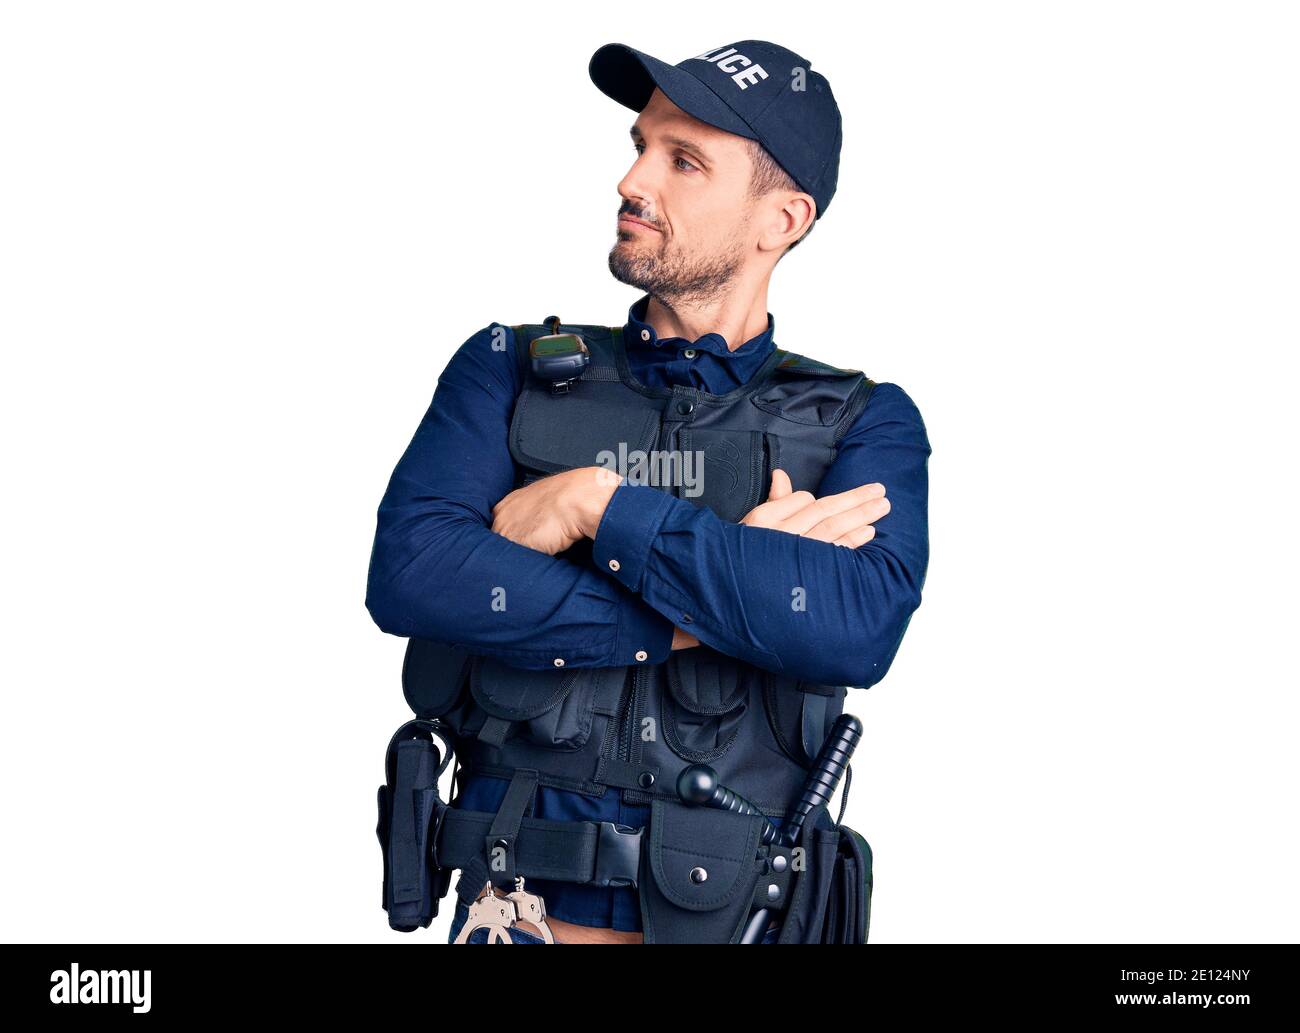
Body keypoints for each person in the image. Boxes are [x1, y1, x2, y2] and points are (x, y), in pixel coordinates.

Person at [367, 40, 930, 944]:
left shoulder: (865, 422)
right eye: (639, 146)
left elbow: (858, 625)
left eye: (684, 161)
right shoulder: (505, 369)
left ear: (779, 219)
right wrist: (714, 595)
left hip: (741, 918)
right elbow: (413, 570)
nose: (632, 180)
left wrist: (599, 505)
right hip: (517, 915)